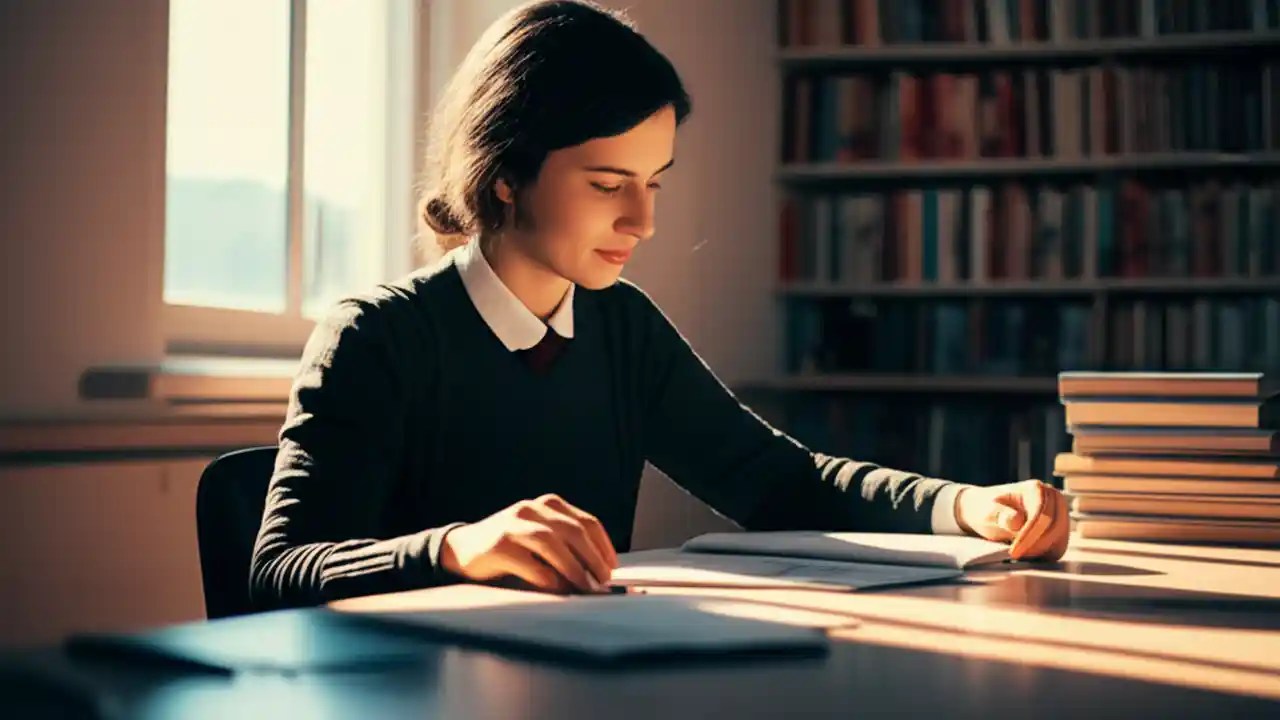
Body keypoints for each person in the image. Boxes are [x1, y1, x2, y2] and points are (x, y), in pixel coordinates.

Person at [249, 0, 1069, 609]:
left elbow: (779, 482)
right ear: (503, 175)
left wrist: (963, 505)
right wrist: (459, 548)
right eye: (609, 185)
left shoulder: (622, 327)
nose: (642, 222)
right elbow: (280, 570)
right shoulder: (375, 337)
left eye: (653, 184)